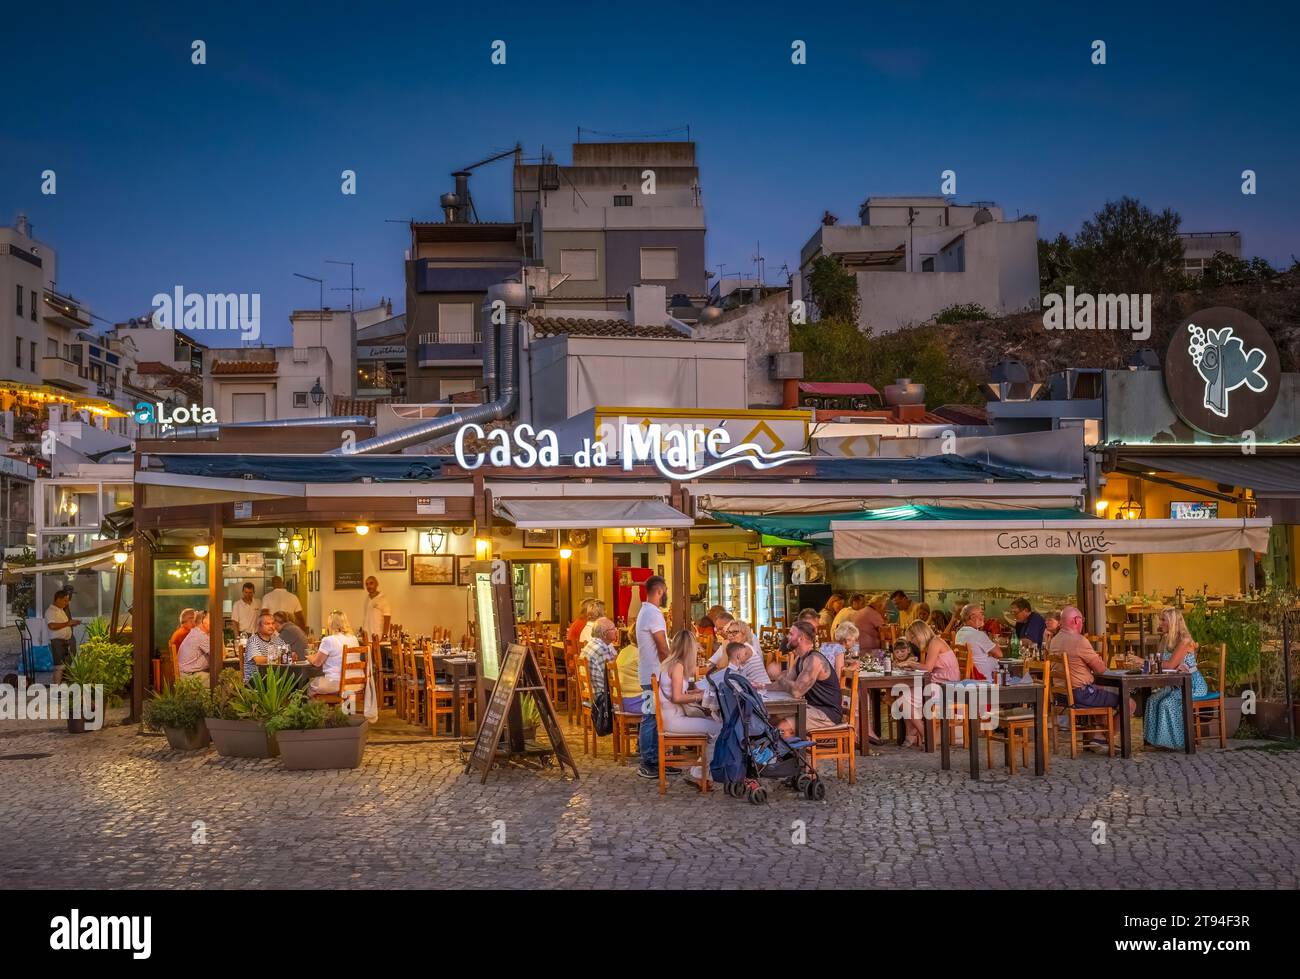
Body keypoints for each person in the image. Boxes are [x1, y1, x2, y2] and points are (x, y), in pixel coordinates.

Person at [1049, 606, 1133, 740]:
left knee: (1101, 692)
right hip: (1080, 694)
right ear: (1076, 621)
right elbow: (1101, 670)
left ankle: (1097, 736)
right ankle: (1105, 739)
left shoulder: (1054, 641)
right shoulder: (1079, 640)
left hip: (1061, 695)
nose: (1083, 623)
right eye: (1082, 620)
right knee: (1129, 703)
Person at [656, 629, 722, 787]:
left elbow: (675, 692)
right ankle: (700, 774)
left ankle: (701, 772)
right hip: (675, 720)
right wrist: (699, 696)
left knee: (715, 725)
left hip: (671, 716)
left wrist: (693, 692)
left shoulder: (669, 663)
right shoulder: (678, 666)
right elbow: (677, 697)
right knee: (720, 728)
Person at [1144, 607, 1208, 749]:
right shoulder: (1166, 639)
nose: (1160, 624)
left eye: (1163, 620)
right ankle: (1155, 741)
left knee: (1167, 703)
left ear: (1172, 623)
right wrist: (1147, 664)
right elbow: (1160, 663)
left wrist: (1144, 662)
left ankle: (1176, 742)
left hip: (1192, 684)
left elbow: (1171, 665)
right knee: (1152, 700)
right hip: (1175, 684)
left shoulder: (1185, 640)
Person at [770, 620, 843, 737]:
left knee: (783, 727)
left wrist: (778, 676)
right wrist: (759, 687)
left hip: (826, 714)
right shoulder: (800, 659)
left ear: (801, 638)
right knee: (772, 718)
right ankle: (779, 753)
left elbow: (797, 691)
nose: (788, 636)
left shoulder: (814, 660)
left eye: (791, 633)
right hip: (811, 708)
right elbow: (784, 685)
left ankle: (790, 755)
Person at [895, 620, 961, 747]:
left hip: (946, 686)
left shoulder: (935, 643)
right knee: (903, 696)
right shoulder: (933, 642)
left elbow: (928, 668)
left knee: (903, 700)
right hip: (939, 682)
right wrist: (912, 665)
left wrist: (910, 663)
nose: (912, 643)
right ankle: (911, 736)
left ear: (917, 635)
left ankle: (925, 734)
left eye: (911, 639)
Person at [636, 575, 674, 779]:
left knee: (654, 716)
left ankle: (658, 759)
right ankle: (648, 761)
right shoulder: (653, 614)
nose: (666, 594)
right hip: (654, 675)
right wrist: (672, 667)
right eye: (665, 590)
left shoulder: (645, 612)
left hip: (649, 672)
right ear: (660, 591)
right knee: (650, 717)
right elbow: (662, 646)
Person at [308, 610, 358, 697]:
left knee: (308, 685)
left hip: (337, 683)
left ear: (331, 624)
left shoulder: (329, 640)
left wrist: (309, 657)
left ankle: (316, 709)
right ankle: (341, 709)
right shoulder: (354, 638)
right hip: (356, 682)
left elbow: (317, 663)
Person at [955, 604, 1001, 680]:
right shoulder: (979, 635)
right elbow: (999, 654)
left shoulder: (959, 633)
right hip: (981, 677)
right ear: (972, 617)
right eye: (981, 614)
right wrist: (995, 640)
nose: (983, 617)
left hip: (967, 675)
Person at [45, 589, 80, 682]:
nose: (67, 602)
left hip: (65, 642)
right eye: (65, 600)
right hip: (57, 642)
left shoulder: (61, 610)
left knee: (64, 666)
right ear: (58, 599)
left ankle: (62, 687)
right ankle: (56, 690)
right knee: (59, 667)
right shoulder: (50, 611)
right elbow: (51, 625)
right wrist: (68, 623)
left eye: (68, 600)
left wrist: (71, 624)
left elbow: (64, 624)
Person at [243, 611, 290, 680]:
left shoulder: (277, 639)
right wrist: (279, 658)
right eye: (267, 624)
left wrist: (291, 655)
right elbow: (258, 660)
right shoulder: (253, 640)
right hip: (256, 681)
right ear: (259, 626)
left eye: (273, 623)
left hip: (273, 678)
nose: (271, 626)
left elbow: (286, 654)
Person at [583, 616, 620, 700]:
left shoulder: (591, 644)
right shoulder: (602, 650)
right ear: (604, 634)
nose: (616, 631)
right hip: (604, 698)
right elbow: (613, 677)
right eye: (613, 629)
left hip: (593, 693)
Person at [177, 611, 211, 680]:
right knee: (221, 680)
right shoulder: (200, 636)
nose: (214, 623)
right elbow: (219, 655)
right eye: (210, 619)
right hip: (189, 677)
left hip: (188, 674)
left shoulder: (196, 632)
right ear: (204, 621)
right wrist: (219, 632)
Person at [360, 576, 392, 642]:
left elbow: (387, 619)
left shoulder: (383, 599)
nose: (369, 586)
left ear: (377, 584)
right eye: (367, 584)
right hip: (367, 638)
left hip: (378, 638)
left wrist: (384, 636)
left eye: (371, 583)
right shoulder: (367, 599)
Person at [615, 637, 642, 715]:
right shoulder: (639, 654)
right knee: (662, 702)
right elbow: (654, 677)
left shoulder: (623, 651)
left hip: (620, 700)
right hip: (633, 702)